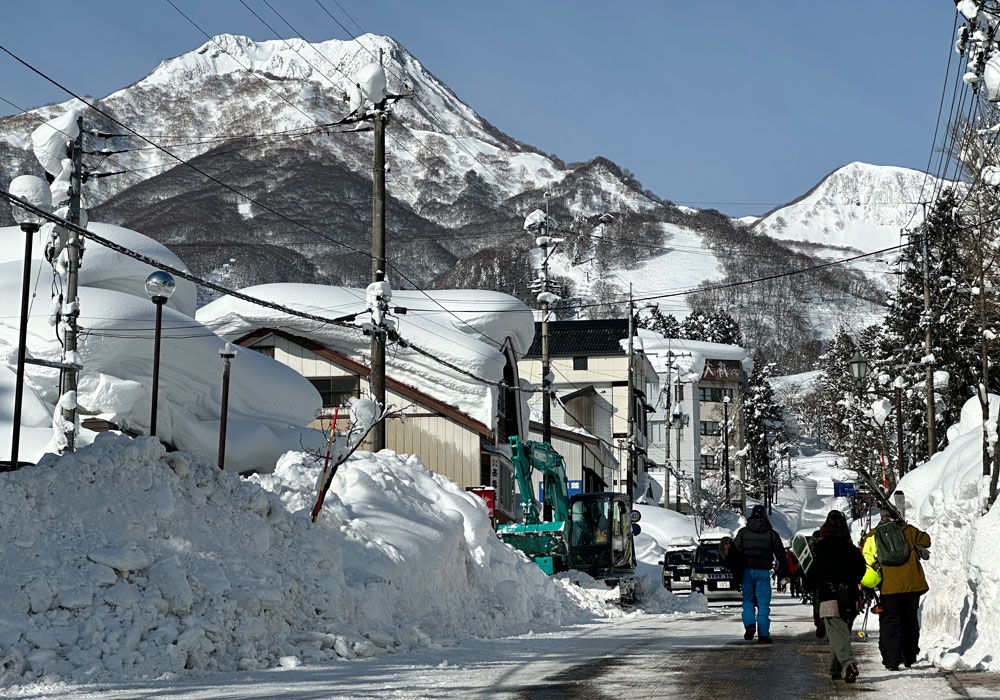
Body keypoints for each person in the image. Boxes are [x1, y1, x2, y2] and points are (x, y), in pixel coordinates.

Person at [863, 511, 932, 671]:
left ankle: (892, 660)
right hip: (911, 585)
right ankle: (909, 657)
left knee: (890, 622)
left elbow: (867, 559)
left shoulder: (873, 535)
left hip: (888, 586)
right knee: (910, 621)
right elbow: (927, 540)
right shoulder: (907, 530)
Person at [808, 510, 867, 683]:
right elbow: (861, 570)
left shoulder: (820, 548)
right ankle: (835, 670)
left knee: (836, 633)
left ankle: (849, 664)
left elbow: (813, 573)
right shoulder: (852, 549)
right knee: (841, 634)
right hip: (850, 596)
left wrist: (813, 585)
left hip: (829, 596)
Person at [733, 504, 786, 644]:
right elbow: (781, 554)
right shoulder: (771, 534)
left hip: (747, 571)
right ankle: (763, 635)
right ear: (764, 516)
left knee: (748, 601)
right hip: (763, 572)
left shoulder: (743, 533)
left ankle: (750, 624)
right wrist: (785, 571)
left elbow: (735, 552)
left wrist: (735, 571)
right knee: (763, 604)